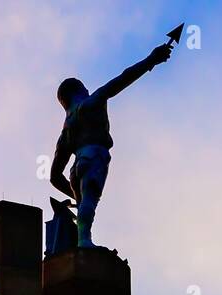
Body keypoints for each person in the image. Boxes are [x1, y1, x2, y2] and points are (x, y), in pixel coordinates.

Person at [50, 43, 173, 248]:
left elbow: (54, 176)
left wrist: (74, 193)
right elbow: (123, 79)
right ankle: (84, 241)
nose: (88, 89)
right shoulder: (92, 102)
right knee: (90, 199)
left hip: (76, 167)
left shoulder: (66, 130)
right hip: (95, 156)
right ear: (79, 90)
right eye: (84, 87)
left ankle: (83, 237)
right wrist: (152, 60)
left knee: (86, 202)